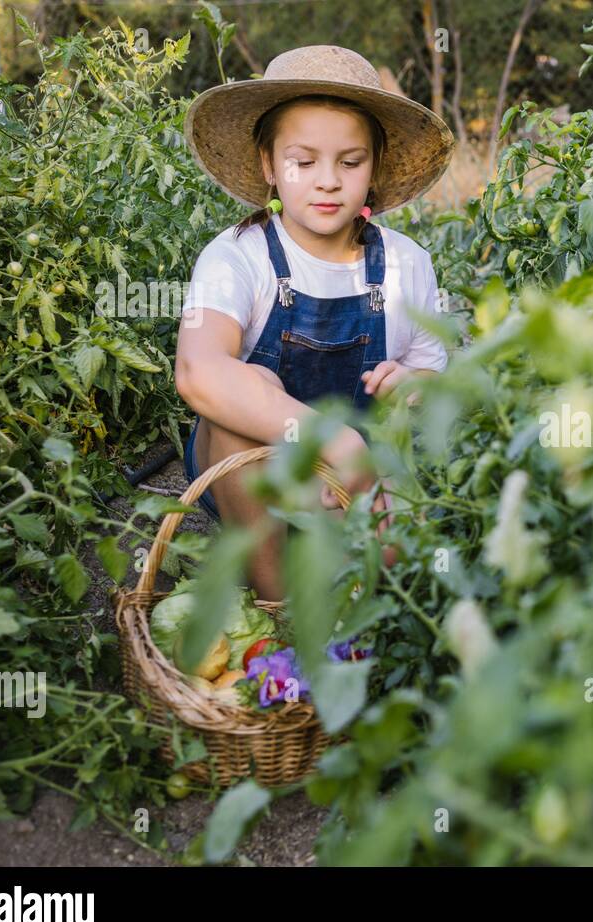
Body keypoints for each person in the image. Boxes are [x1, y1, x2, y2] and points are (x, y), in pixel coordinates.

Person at [176, 45, 456, 601]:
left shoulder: (406, 264)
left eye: (350, 162)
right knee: (248, 392)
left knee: (406, 546)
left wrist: (413, 385)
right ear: (268, 166)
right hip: (262, 473)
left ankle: (366, 611)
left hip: (364, 474)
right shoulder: (238, 255)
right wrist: (332, 439)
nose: (328, 181)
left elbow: (435, 384)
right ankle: (278, 606)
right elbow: (198, 371)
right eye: (303, 162)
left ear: (373, 168)